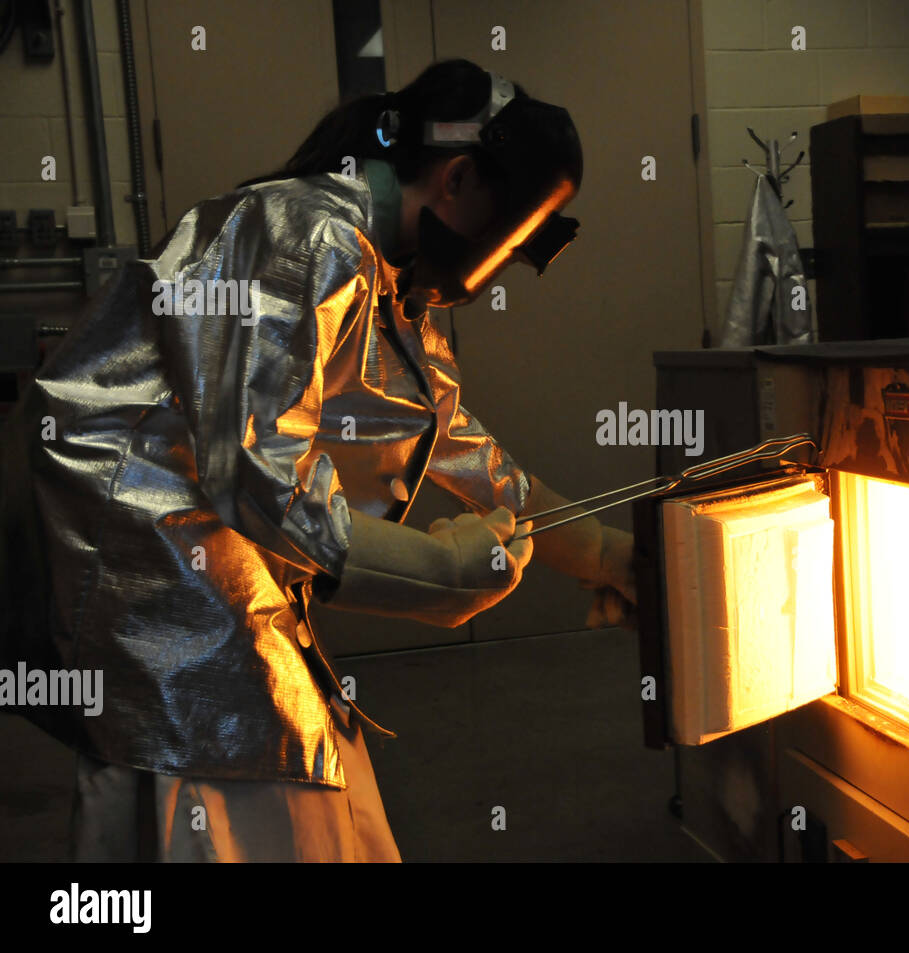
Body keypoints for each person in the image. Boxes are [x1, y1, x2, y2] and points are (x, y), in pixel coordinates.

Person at [0, 58, 636, 862]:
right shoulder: (307, 236)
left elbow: (453, 435)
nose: (502, 264)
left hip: (213, 552)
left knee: (296, 767)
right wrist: (436, 571)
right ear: (459, 177)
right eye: (508, 237)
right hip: (151, 563)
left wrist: (602, 553)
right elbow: (258, 476)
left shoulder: (388, 271)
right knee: (231, 759)